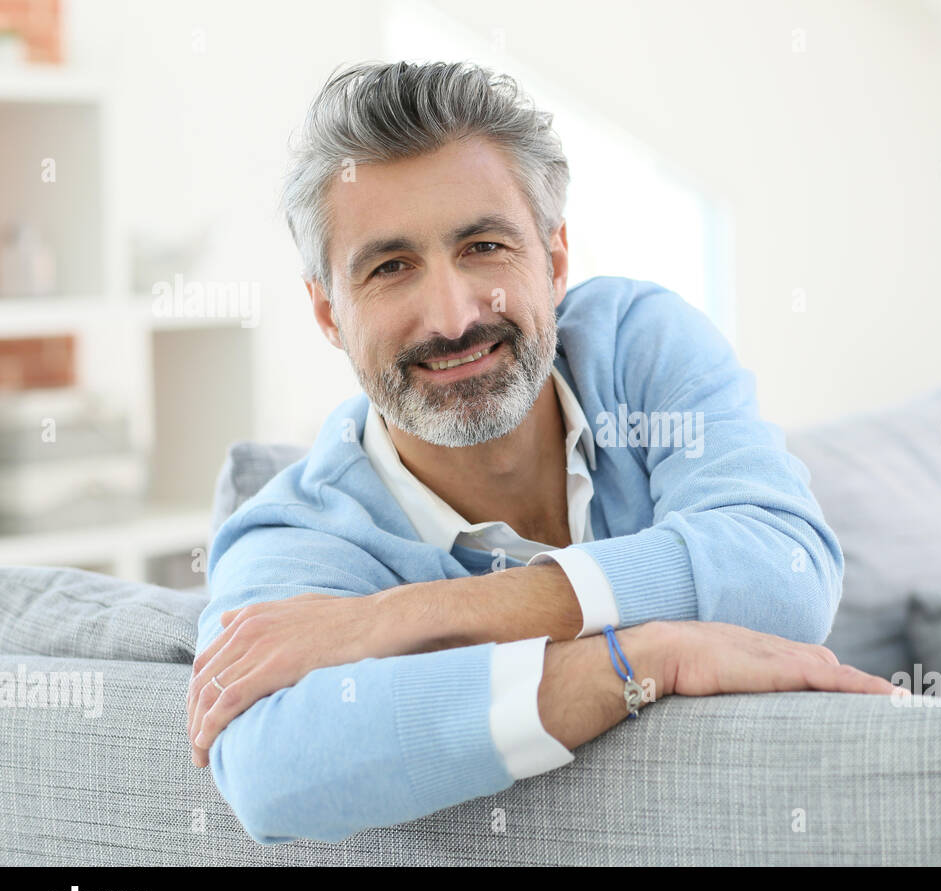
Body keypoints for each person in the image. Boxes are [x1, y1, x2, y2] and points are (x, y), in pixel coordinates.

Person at [184, 60, 894, 846]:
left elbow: (785, 574)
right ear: (328, 311)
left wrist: (399, 621)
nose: (452, 318)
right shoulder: (293, 537)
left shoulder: (636, 347)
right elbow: (269, 773)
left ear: (555, 261)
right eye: (391, 268)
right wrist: (640, 660)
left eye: (484, 246)